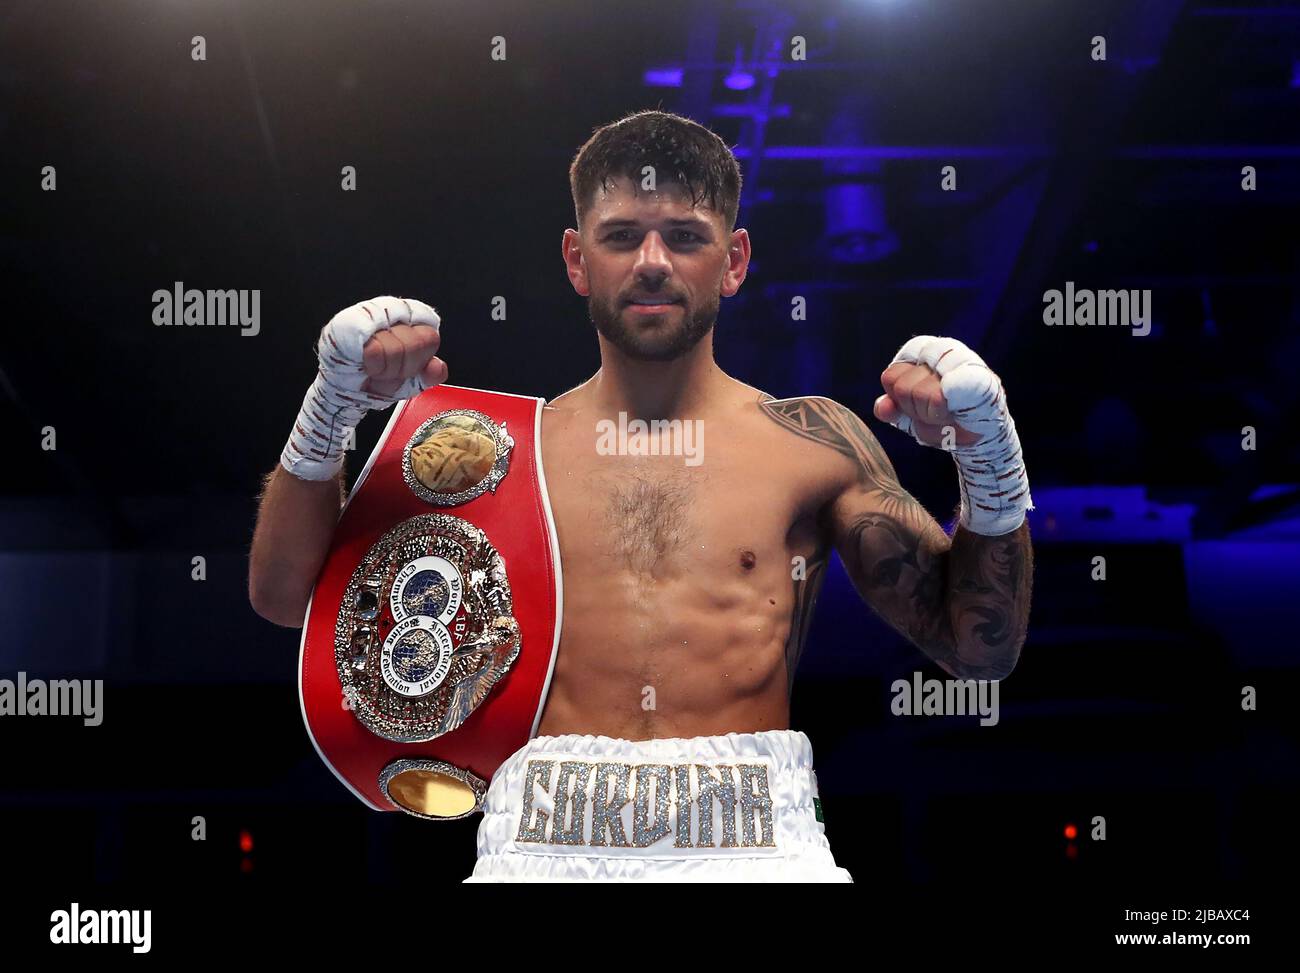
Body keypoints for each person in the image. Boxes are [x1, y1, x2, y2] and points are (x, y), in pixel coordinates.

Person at [248, 109, 1034, 882]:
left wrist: (991, 463)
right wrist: (330, 408)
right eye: (621, 235)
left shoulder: (812, 440)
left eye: (686, 236)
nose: (652, 261)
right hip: (539, 846)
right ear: (577, 259)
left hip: (757, 846)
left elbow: (979, 648)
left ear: (733, 260)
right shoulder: (492, 450)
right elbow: (286, 596)